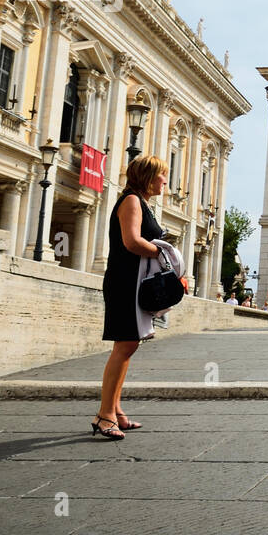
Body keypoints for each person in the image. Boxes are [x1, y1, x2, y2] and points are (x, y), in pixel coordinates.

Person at [95, 154, 174, 440]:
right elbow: (131, 241)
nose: (166, 180)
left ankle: (114, 410)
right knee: (124, 345)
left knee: (128, 346)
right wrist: (164, 254)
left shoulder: (142, 203)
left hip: (133, 281)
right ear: (148, 177)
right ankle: (105, 415)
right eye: (162, 175)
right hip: (124, 281)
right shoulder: (131, 201)